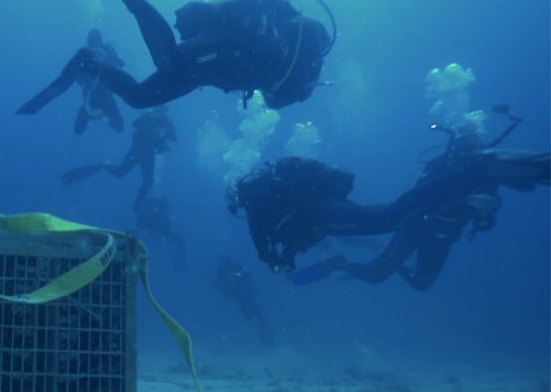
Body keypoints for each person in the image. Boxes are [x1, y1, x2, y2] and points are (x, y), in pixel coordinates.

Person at [18, 0, 334, 114]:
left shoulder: (292, 59)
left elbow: (269, 92)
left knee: (140, 98)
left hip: (214, 68)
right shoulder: (292, 72)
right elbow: (273, 98)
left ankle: (88, 63)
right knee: (169, 61)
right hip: (227, 51)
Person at [290, 111, 549, 289]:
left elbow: (486, 221)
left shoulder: (489, 174)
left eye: (475, 142)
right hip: (418, 227)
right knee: (375, 276)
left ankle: (377, 255)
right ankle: (339, 264)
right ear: (457, 143)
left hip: (447, 233)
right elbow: (418, 196)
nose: (470, 147)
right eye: (466, 142)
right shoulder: (440, 165)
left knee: (421, 283)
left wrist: (486, 212)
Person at [232, 144, 548, 274]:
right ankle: (472, 178)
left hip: (324, 213)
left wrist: (277, 261)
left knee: (391, 216)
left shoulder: (256, 208)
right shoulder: (268, 198)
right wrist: (286, 256)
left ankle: (477, 171)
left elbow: (263, 248)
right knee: (398, 216)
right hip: (327, 208)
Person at [17, 28, 125, 134]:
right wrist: (84, 65)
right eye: (92, 39)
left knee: (119, 126)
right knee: (78, 130)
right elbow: (73, 77)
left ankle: (96, 114)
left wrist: (106, 58)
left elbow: (120, 64)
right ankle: (91, 112)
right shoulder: (83, 55)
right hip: (91, 94)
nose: (94, 42)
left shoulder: (106, 52)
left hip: (103, 92)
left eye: (95, 39)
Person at [60, 105, 176, 205]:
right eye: (159, 112)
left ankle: (137, 205)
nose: (160, 114)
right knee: (119, 173)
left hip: (149, 155)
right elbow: (135, 124)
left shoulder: (167, 123)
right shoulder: (148, 118)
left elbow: (174, 138)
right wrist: (149, 118)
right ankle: (104, 165)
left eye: (162, 112)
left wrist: (164, 132)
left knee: (148, 183)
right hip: (136, 152)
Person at [212, 256, 273, 345]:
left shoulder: (234, 266)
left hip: (243, 293)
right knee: (250, 314)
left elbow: (246, 275)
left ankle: (264, 330)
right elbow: (217, 281)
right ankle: (263, 327)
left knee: (253, 313)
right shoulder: (225, 269)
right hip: (240, 294)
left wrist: (233, 277)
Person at [135, 195, 186, 272]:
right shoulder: (158, 220)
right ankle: (179, 266)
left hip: (157, 228)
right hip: (160, 229)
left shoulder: (150, 216)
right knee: (180, 241)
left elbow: (140, 225)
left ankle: (178, 266)